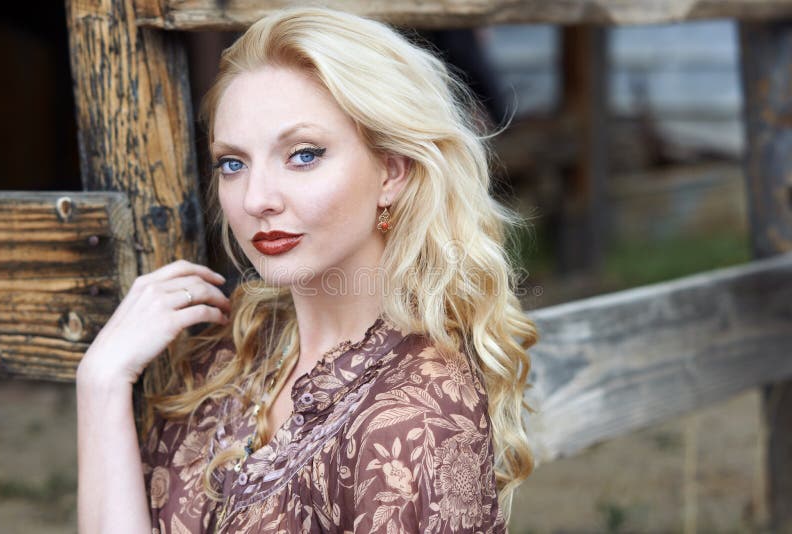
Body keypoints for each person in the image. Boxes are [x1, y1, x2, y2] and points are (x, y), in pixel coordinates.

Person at [75, 6, 539, 533]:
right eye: (233, 163)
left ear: (392, 170)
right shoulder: (228, 354)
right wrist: (101, 381)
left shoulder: (414, 416)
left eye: (303, 155)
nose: (256, 199)